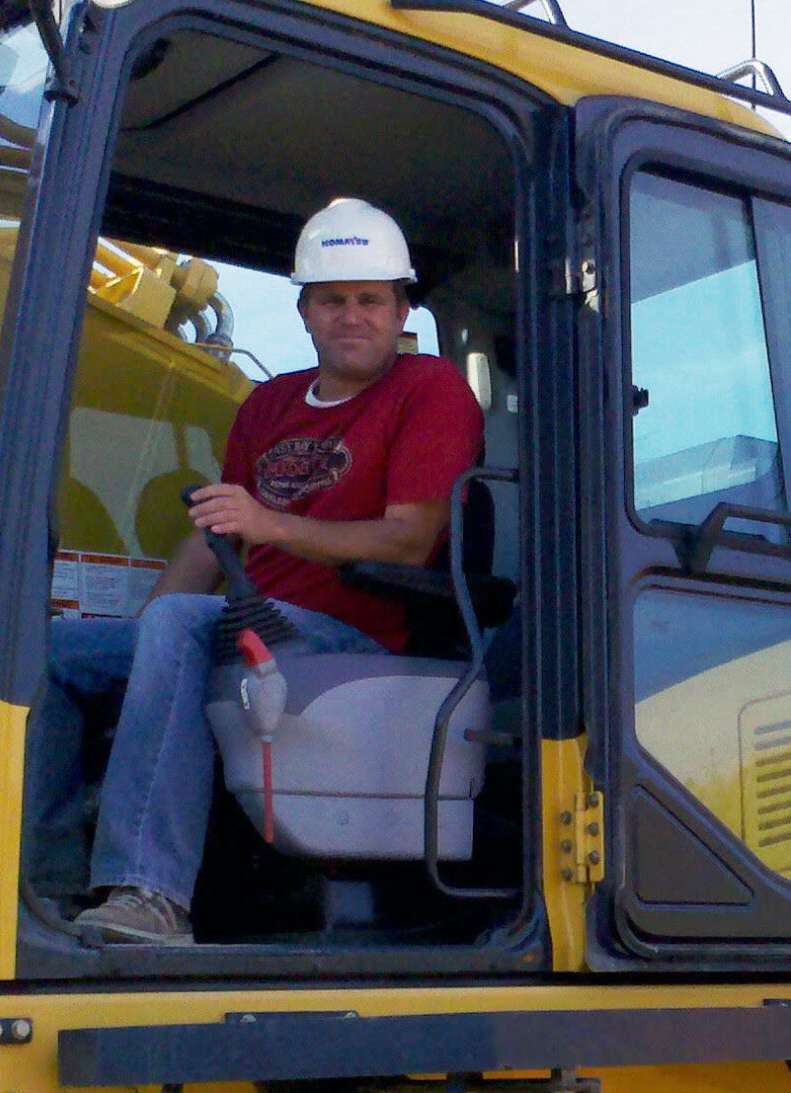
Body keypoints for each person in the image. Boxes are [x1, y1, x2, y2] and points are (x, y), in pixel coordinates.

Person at [27, 198, 485, 943]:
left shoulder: (428, 391)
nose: (352, 317)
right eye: (332, 301)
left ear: (401, 310)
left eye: (372, 300)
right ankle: (45, 881)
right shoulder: (267, 404)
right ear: (304, 312)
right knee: (48, 651)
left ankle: (150, 893)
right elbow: (213, 538)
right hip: (234, 628)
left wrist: (265, 526)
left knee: (180, 626)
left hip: (350, 641)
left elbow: (408, 541)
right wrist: (144, 643)